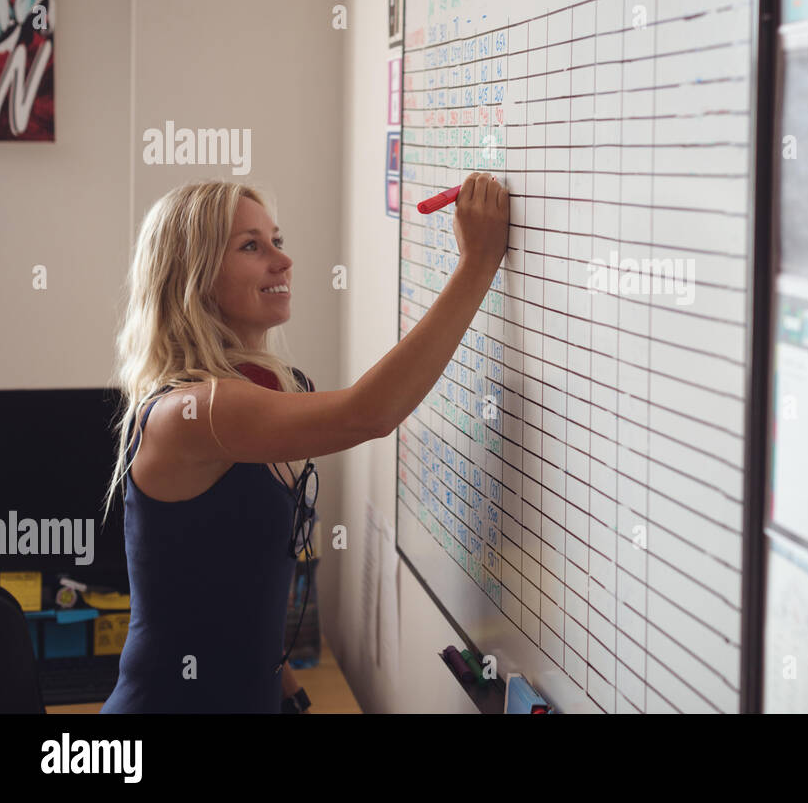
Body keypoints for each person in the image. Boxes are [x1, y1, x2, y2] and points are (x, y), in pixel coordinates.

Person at [99, 173, 508, 712]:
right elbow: (370, 414)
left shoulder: (275, 391)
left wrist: (288, 689)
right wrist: (476, 263)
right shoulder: (193, 412)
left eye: (278, 241)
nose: (282, 260)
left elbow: (229, 585)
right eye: (251, 246)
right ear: (192, 277)